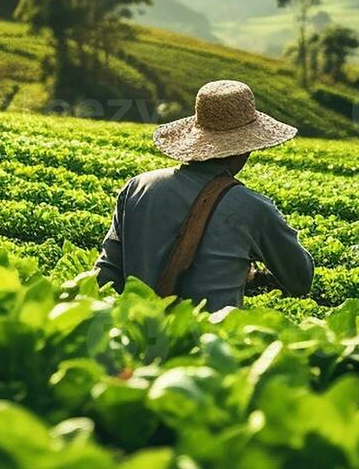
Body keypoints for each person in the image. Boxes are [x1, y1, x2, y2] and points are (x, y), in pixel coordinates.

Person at [95, 79, 314, 310]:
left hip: (139, 335)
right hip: (209, 341)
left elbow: (106, 276)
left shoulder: (138, 187)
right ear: (246, 149)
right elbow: (300, 279)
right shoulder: (253, 208)